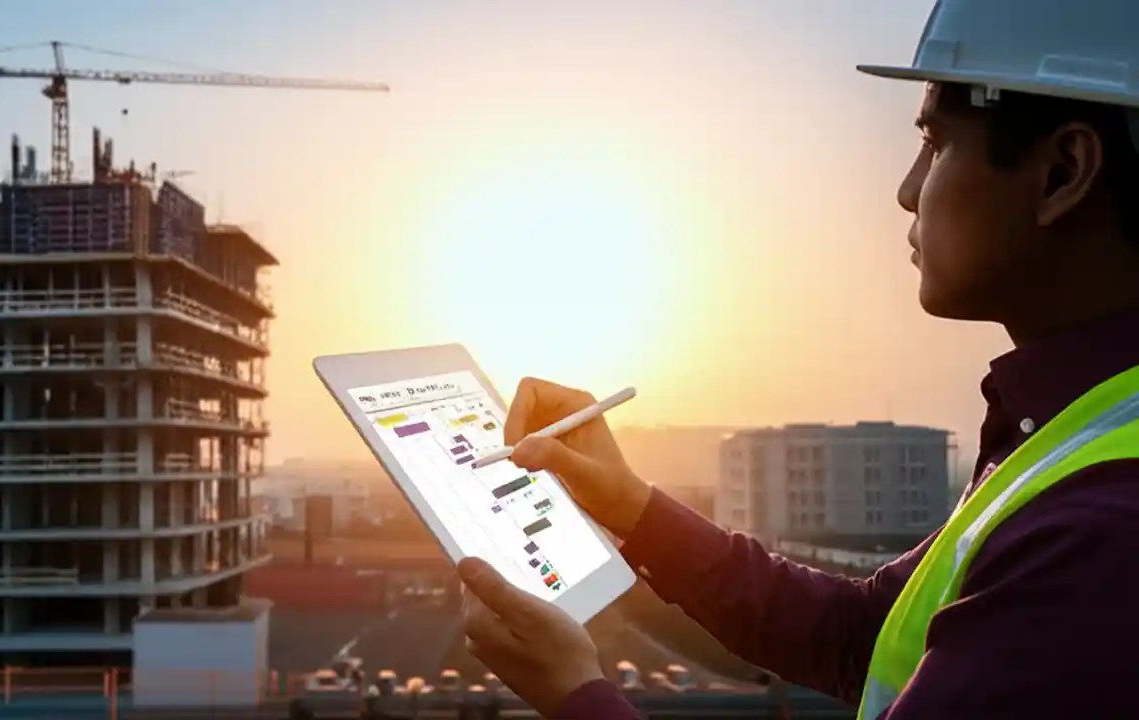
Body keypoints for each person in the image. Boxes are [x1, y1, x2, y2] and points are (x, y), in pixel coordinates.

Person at [456, 1, 1139, 717]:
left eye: (937, 146)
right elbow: (856, 637)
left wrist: (573, 694)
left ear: (1064, 171)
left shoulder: (1103, 534)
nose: (908, 190)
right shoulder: (1078, 440)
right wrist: (631, 505)